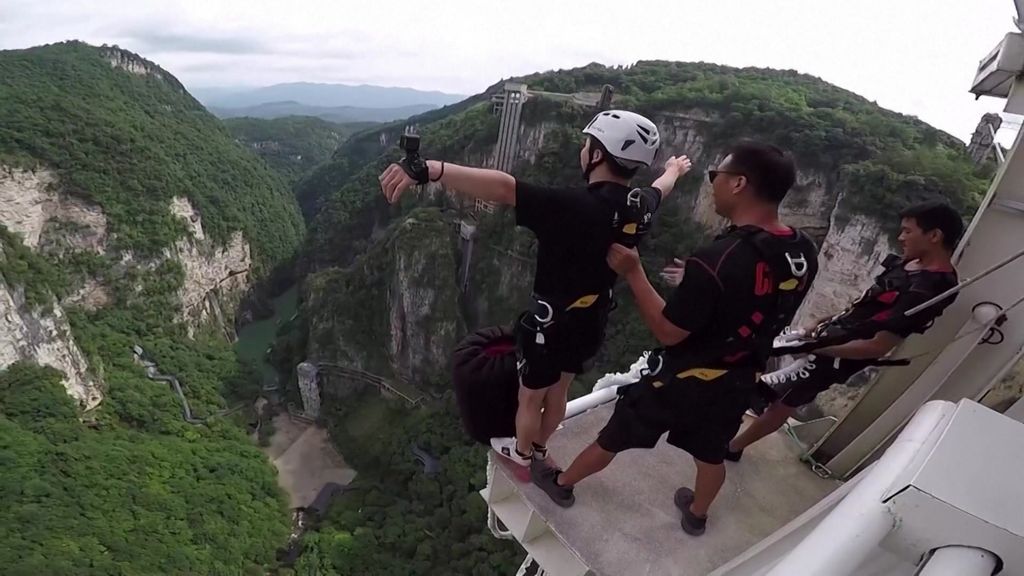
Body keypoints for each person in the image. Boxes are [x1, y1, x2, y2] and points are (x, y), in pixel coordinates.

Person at [532, 140, 819, 537]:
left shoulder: (717, 258)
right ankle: (697, 514)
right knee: (712, 452)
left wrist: (634, 272)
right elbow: (762, 296)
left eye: (716, 175)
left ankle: (561, 485)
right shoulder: (801, 249)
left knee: (614, 437)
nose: (712, 183)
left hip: (683, 377)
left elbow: (668, 331)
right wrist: (703, 286)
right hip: (738, 378)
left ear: (738, 183)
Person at [379, 110, 692, 469]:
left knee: (531, 397)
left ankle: (522, 454)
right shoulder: (639, 207)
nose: (582, 149)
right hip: (593, 318)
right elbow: (660, 190)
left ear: (597, 155)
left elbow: (504, 187)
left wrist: (433, 169)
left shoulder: (571, 205)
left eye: (587, 144)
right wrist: (674, 170)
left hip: (551, 323)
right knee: (560, 389)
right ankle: (542, 447)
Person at [726, 200, 963, 461]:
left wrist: (817, 347)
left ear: (934, 235)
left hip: (843, 354)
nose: (901, 237)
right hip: (833, 332)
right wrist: (821, 323)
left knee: (782, 400)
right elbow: (864, 306)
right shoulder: (910, 264)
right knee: (758, 362)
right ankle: (731, 428)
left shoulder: (929, 290)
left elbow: (878, 345)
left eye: (908, 231)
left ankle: (733, 447)